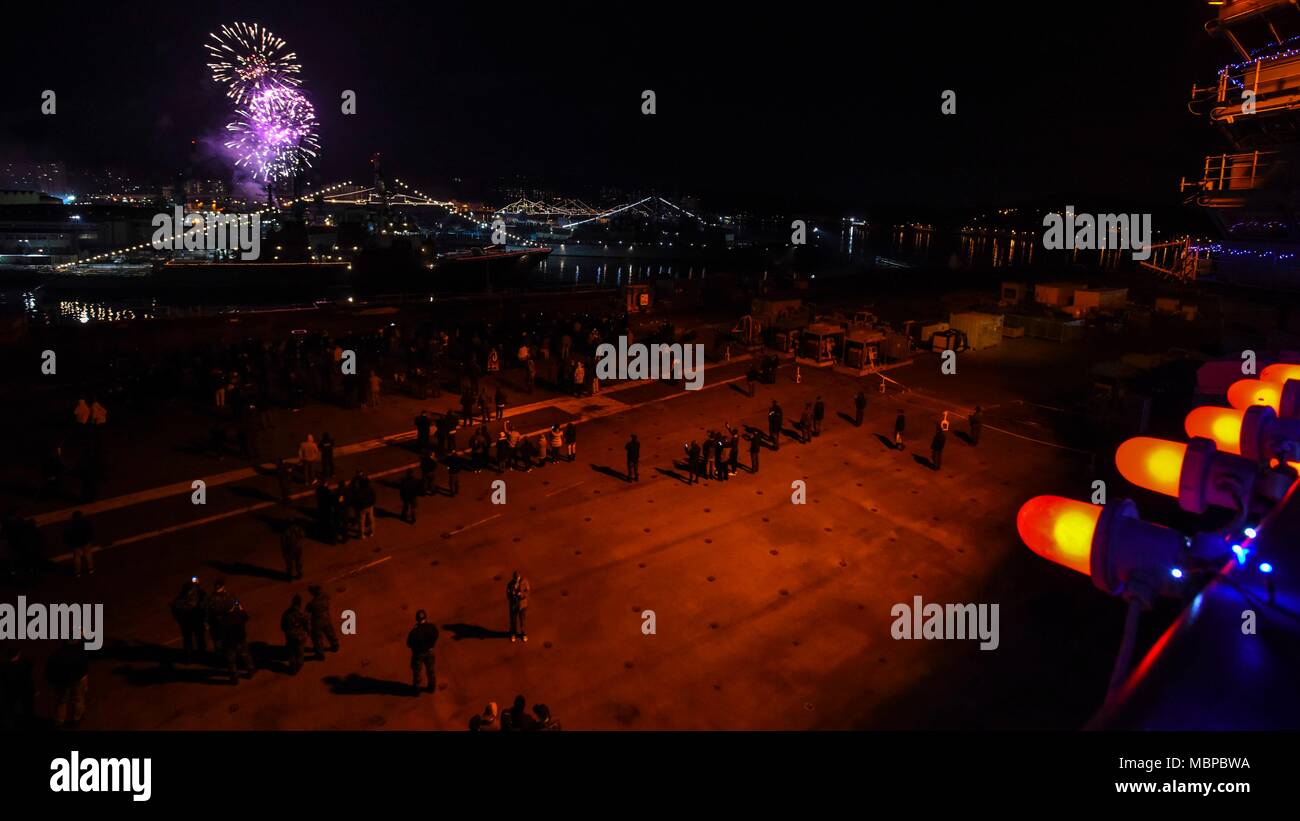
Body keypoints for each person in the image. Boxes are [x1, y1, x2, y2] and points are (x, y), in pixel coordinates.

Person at [46, 640, 88, 728]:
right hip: (77, 680)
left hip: (62, 682)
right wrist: (84, 681)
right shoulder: (81, 652)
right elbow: (84, 668)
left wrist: (52, 682)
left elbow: (50, 670)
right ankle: (77, 718)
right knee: (78, 700)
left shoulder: (57, 654)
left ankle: (59, 720)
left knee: (61, 702)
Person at [170, 577, 207, 662]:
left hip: (185, 624)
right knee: (199, 639)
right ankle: (202, 656)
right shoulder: (196, 599)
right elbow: (204, 606)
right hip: (197, 622)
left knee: (188, 640)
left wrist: (180, 621)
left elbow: (174, 610)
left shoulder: (179, 600)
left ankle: (189, 657)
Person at [0, 646, 35, 730]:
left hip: (7, 696)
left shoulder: (3, 667)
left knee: (9, 715)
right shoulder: (23, 667)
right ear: (18, 654)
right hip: (21, 695)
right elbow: (28, 681)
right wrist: (32, 691)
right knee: (21, 715)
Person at [406, 610, 439, 695]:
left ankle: (416, 691)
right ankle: (431, 688)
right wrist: (431, 645)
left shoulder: (415, 631)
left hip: (418, 654)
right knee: (430, 670)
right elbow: (436, 635)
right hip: (430, 652)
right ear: (425, 617)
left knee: (417, 672)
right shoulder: (432, 627)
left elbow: (409, 643)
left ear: (417, 619)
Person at [220, 601, 254, 683]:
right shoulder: (239, 614)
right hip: (240, 639)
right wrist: (240, 608)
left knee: (231, 660)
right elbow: (246, 617)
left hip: (229, 642)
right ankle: (250, 671)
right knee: (246, 655)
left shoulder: (224, 618)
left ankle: (234, 677)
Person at [307, 584, 340, 659]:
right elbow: (327, 597)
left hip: (317, 622)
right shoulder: (325, 598)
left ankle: (320, 653)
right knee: (330, 633)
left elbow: (307, 612)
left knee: (317, 638)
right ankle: (335, 645)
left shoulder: (311, 604)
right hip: (326, 618)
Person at [281, 595, 310, 676]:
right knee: (300, 652)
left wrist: (288, 632)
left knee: (291, 652)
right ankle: (298, 666)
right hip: (300, 636)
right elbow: (307, 624)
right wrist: (308, 632)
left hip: (290, 636)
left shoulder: (286, 613)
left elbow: (283, 626)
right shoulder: (302, 613)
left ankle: (293, 668)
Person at [63, 511, 94, 578]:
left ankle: (78, 572)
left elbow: (67, 535)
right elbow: (90, 531)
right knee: (88, 554)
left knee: (77, 557)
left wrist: (69, 543)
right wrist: (90, 539)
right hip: (85, 541)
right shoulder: (86, 522)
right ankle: (90, 569)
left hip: (75, 542)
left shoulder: (70, 524)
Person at [506, 570, 530, 643]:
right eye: (515, 579)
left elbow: (528, 591)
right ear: (513, 578)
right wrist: (512, 595)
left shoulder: (525, 582)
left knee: (523, 620)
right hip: (514, 605)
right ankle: (513, 633)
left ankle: (523, 633)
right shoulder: (510, 584)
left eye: (517, 578)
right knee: (513, 621)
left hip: (522, 605)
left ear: (519, 577)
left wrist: (521, 594)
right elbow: (508, 595)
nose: (516, 580)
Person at [354, 474, 376, 538]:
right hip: (370, 506)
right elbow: (374, 497)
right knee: (371, 519)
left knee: (361, 521)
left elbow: (358, 499)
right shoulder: (370, 489)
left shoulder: (360, 491)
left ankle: (361, 534)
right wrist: (372, 504)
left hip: (363, 508)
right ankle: (371, 532)